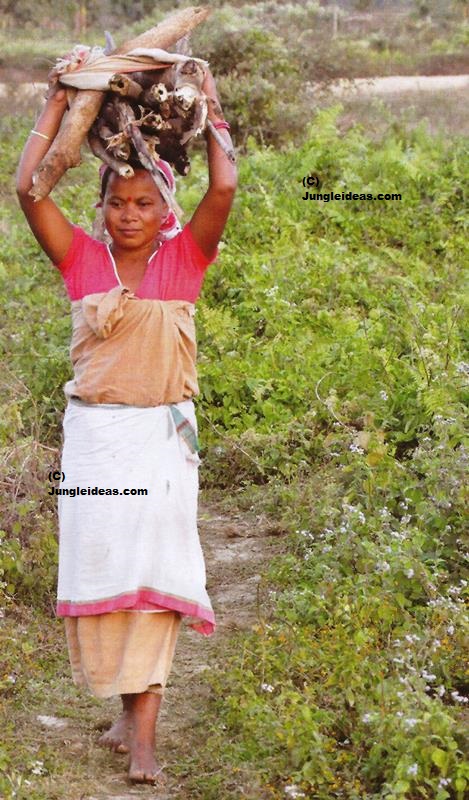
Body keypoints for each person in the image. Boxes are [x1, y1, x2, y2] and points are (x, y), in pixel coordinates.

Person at [16, 69, 237, 784]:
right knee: (108, 572)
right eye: (118, 202)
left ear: (165, 208)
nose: (130, 214)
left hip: (158, 445)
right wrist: (60, 105)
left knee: (153, 577)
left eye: (145, 202)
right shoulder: (81, 261)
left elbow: (225, 189)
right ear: (102, 206)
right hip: (96, 445)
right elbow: (29, 191)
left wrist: (215, 113)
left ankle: (145, 741)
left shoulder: (183, 261)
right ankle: (124, 711)